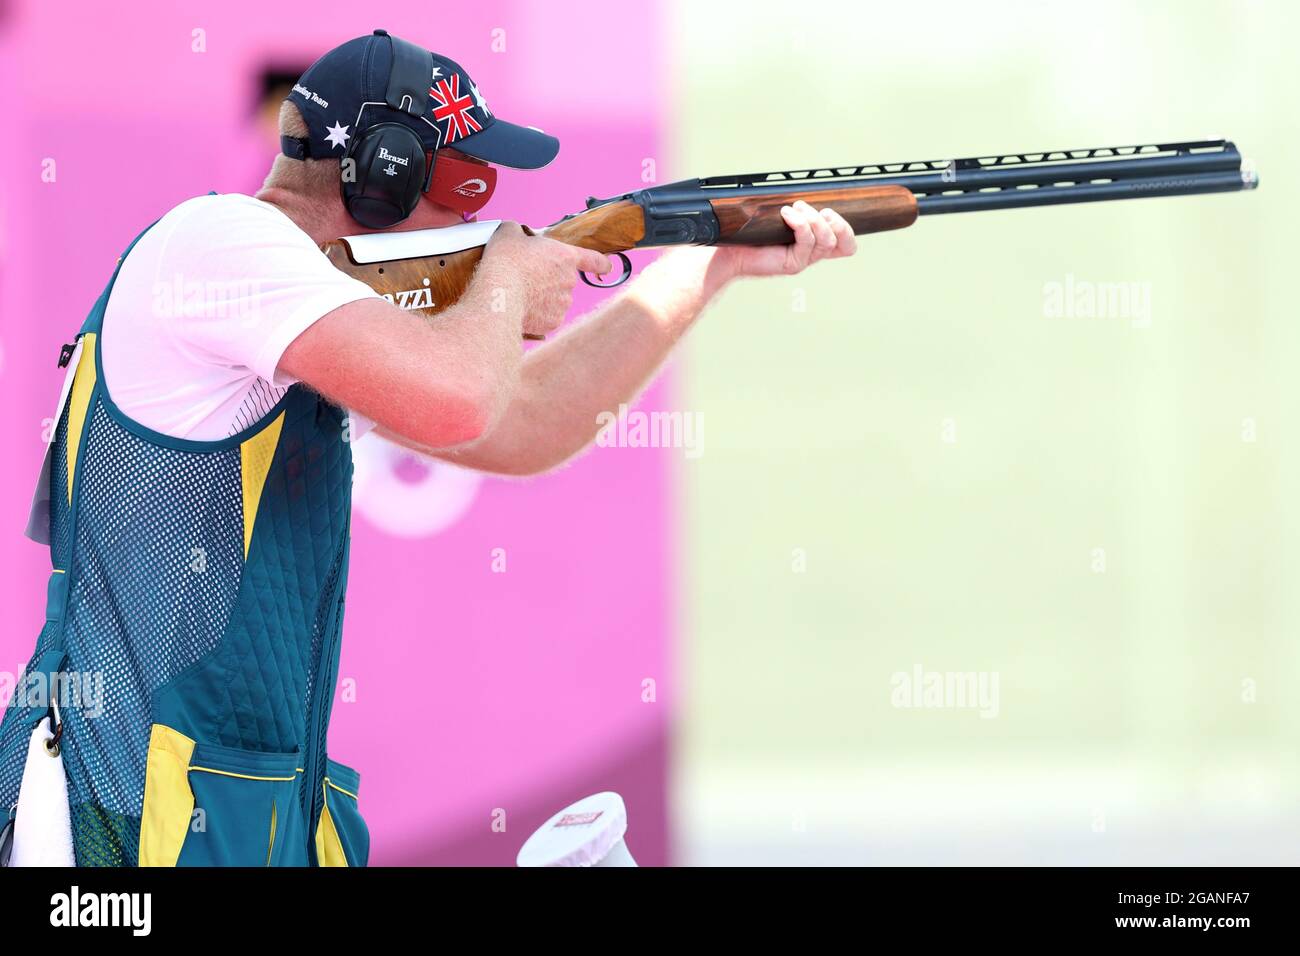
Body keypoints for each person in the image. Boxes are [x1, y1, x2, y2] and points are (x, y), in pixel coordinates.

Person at [0, 29, 856, 867]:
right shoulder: (224, 245)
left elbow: (524, 423)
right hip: (127, 822)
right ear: (384, 176)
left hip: (215, 815)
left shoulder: (295, 306)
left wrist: (705, 270)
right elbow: (458, 401)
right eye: (467, 181)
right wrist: (508, 279)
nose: (480, 211)